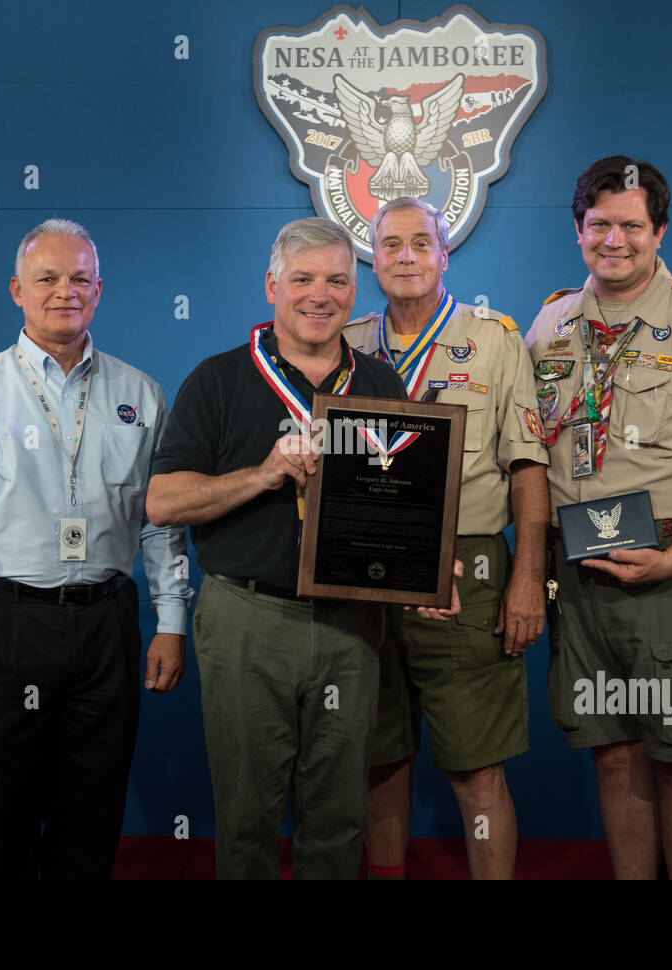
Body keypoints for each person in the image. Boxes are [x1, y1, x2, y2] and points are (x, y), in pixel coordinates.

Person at [147, 217, 456, 879]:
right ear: (271, 286)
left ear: (353, 291)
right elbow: (162, 502)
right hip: (248, 621)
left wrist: (429, 565)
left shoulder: (379, 382)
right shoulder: (219, 380)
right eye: (303, 280)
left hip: (350, 622)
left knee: (339, 815)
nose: (320, 295)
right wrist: (262, 473)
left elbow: (404, 501)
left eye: (337, 281)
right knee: (248, 814)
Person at [0, 218, 193, 879]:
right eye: (47, 278)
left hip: (107, 623)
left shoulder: (140, 394)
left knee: (90, 819)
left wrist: (172, 619)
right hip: (6, 623)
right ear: (16, 290)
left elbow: (159, 523)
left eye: (80, 278)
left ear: (99, 291)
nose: (64, 290)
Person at [524, 155, 672, 879]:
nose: (613, 240)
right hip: (579, 574)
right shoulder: (552, 321)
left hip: (671, 571)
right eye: (599, 225)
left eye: (631, 225)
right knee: (613, 751)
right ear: (578, 228)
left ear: (659, 232)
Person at [342, 196, 548, 880]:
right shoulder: (347, 339)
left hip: (469, 567)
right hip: (367, 563)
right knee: (379, 756)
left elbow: (527, 466)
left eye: (420, 244)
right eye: (391, 244)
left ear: (444, 253)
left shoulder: (494, 339)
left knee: (476, 766)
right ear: (374, 256)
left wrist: (526, 578)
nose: (405, 257)